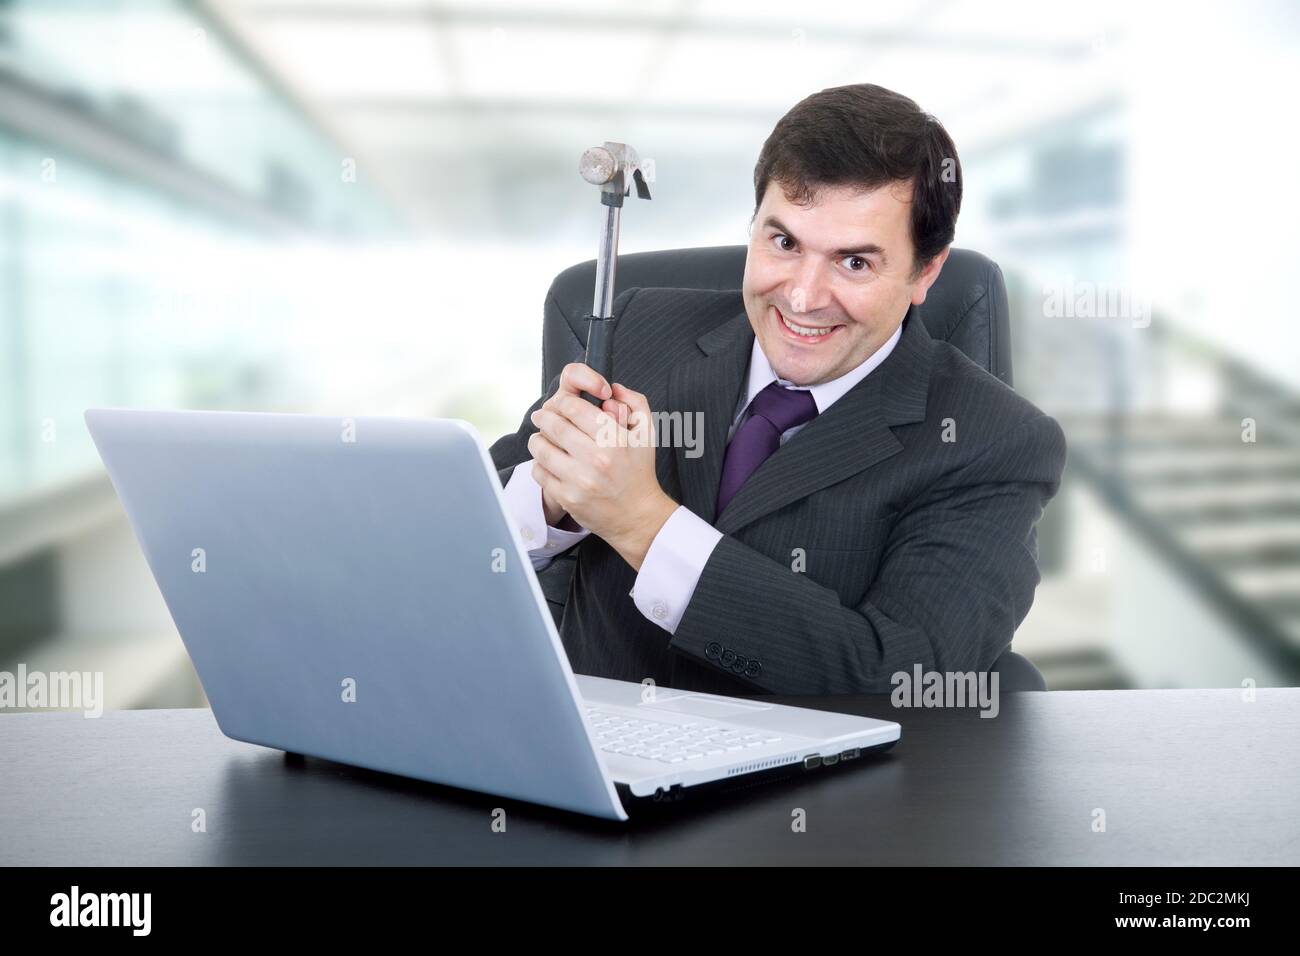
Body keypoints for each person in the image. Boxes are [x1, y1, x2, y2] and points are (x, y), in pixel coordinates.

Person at [489, 83, 1067, 696]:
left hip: (819, 789)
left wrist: (641, 523)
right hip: (593, 773)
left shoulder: (995, 441)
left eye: (855, 263)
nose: (801, 296)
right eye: (784, 242)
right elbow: (465, 536)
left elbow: (903, 676)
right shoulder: (639, 330)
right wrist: (554, 499)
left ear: (926, 272)